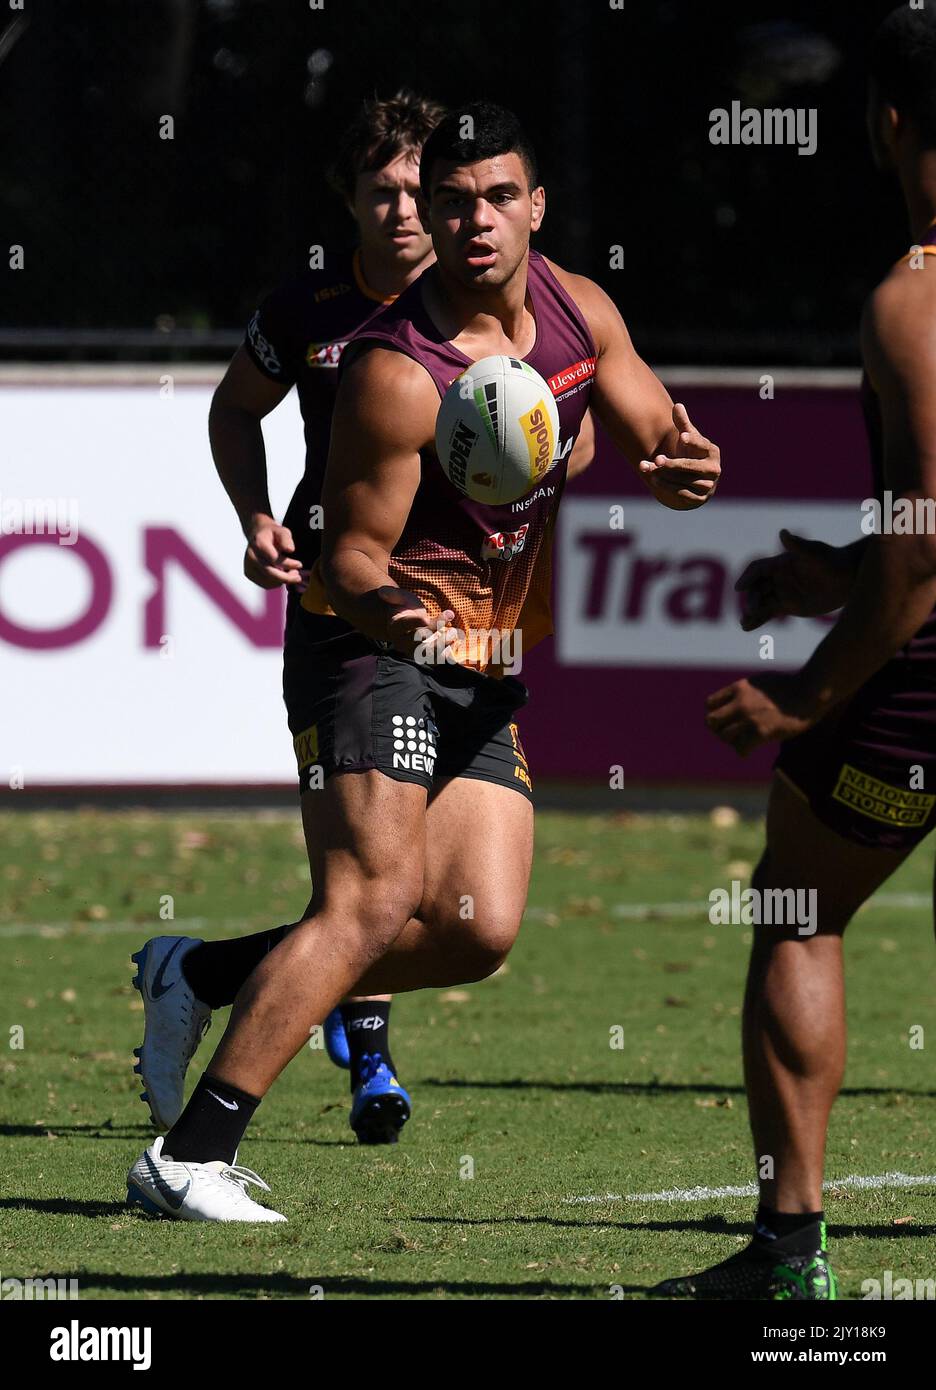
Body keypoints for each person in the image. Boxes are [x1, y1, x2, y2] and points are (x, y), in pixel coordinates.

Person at [127, 101, 719, 1222]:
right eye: (452, 201)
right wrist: (404, 622)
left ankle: (197, 975)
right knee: (372, 893)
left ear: (536, 207)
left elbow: (649, 430)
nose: (472, 219)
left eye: (498, 196)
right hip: (372, 646)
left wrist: (685, 466)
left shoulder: (578, 311)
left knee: (472, 928)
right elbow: (348, 558)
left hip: (484, 656)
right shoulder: (398, 368)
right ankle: (188, 1156)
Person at [657, 5, 936, 1300]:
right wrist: (841, 566)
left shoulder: (912, 297)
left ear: (890, 123)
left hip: (917, 688)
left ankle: (789, 1252)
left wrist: (805, 694)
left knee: (795, 904)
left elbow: (924, 563)